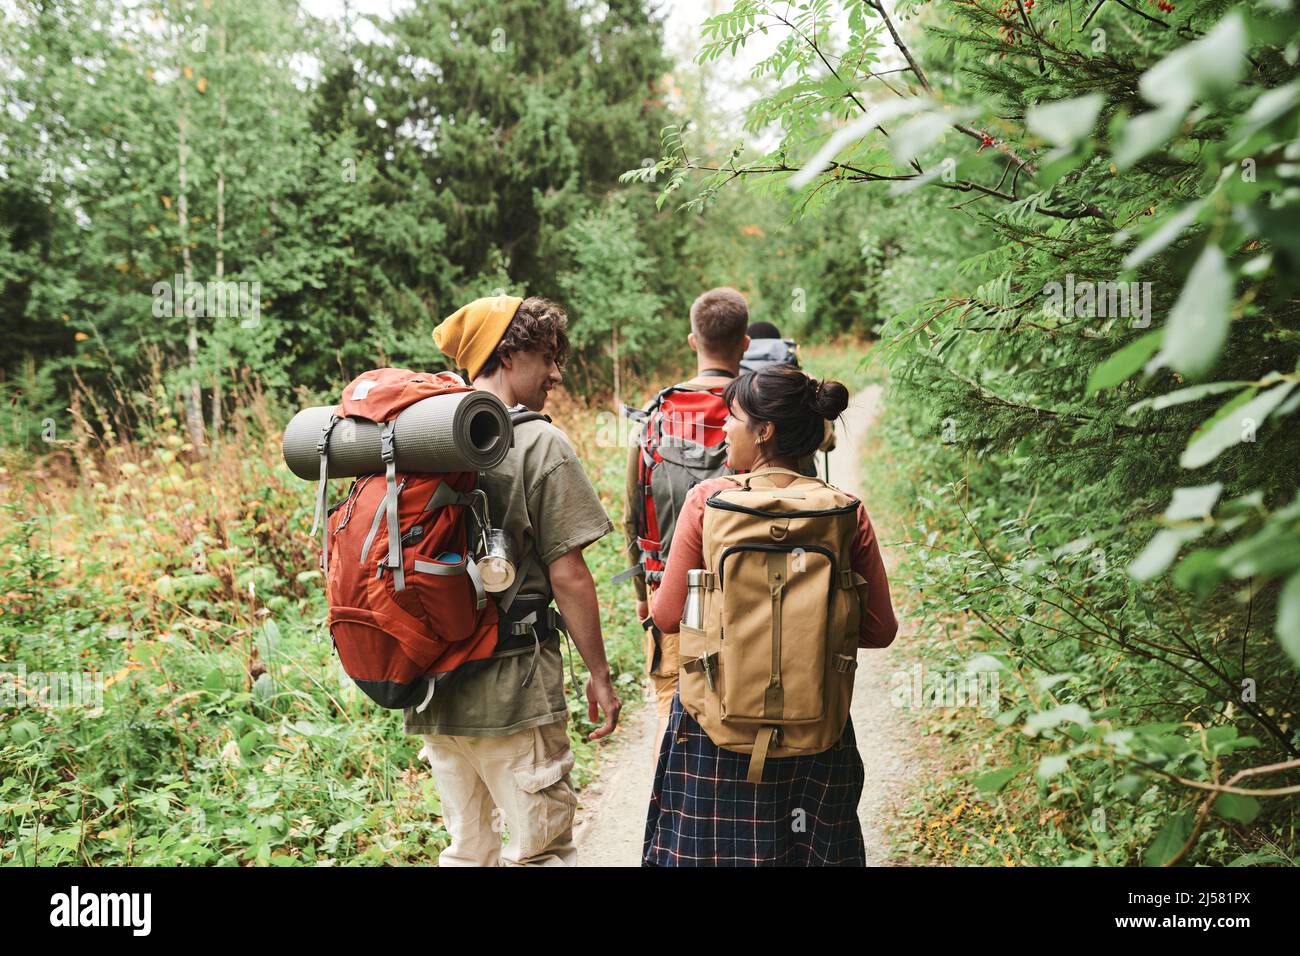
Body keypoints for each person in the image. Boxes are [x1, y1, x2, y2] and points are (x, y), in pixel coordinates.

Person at [643, 364, 899, 866]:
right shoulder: (846, 512)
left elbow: (668, 616)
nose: (723, 430)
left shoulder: (707, 503)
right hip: (816, 730)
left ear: (764, 432)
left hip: (715, 733)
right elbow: (880, 630)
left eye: (732, 418)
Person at [413, 293, 621, 866]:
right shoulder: (538, 442)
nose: (556, 373)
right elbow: (569, 575)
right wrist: (600, 675)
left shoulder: (420, 439)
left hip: (435, 695)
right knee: (541, 853)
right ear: (508, 353)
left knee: (467, 853)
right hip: (514, 693)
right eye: (547, 356)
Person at [623, 287, 749, 753]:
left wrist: (644, 597)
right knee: (748, 704)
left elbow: (632, 517)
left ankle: (667, 814)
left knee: (670, 707)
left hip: (670, 592)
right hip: (749, 586)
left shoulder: (656, 415)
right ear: (746, 343)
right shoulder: (756, 411)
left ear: (693, 342)